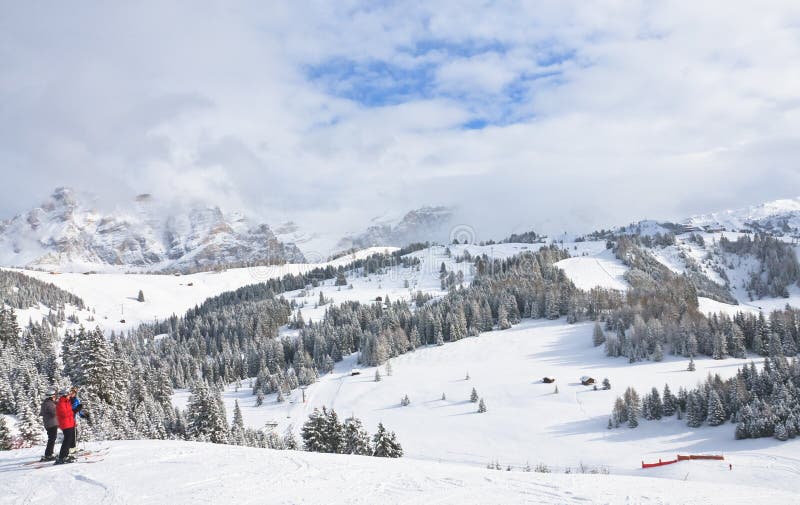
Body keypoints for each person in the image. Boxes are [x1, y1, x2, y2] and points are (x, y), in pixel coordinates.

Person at [54, 389, 76, 465]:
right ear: (65, 395)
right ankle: (62, 457)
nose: (69, 396)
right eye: (68, 394)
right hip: (65, 424)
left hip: (69, 423)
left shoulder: (67, 402)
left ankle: (65, 455)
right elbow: (64, 414)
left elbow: (69, 411)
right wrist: (73, 411)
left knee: (69, 440)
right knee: (67, 440)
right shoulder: (61, 403)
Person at [39, 389, 58, 462]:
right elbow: (53, 413)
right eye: (54, 396)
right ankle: (48, 454)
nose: (55, 397)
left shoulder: (46, 403)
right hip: (51, 423)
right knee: (52, 439)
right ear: (51, 396)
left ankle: (49, 453)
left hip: (49, 423)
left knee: (51, 438)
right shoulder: (49, 404)